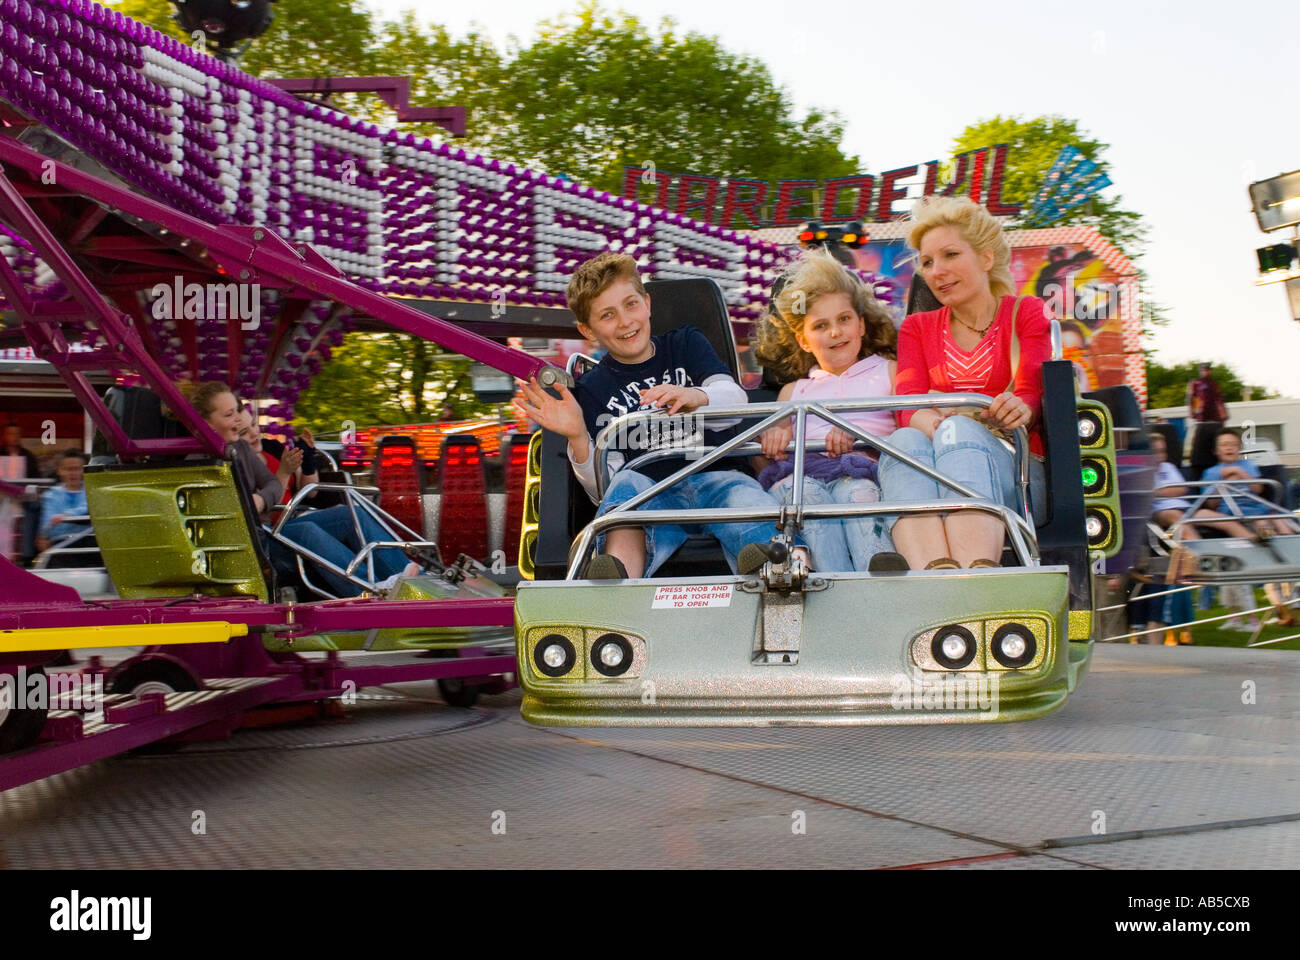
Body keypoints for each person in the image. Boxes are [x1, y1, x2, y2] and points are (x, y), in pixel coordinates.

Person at [515, 251, 805, 579]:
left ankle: (776, 563)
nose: (625, 321)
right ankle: (618, 576)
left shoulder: (686, 344)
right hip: (652, 492)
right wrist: (578, 435)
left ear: (647, 304)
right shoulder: (591, 389)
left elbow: (734, 402)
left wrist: (696, 396)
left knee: (741, 493)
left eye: (630, 305)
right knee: (624, 489)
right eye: (607, 315)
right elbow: (602, 491)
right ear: (589, 330)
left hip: (715, 474)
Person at [878, 196, 1049, 570]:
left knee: (956, 431)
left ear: (986, 259)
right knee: (904, 440)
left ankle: (975, 576)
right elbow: (907, 407)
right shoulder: (916, 328)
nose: (936, 271)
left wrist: (1010, 409)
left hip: (1016, 473)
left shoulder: (1027, 312)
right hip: (938, 457)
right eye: (927, 262)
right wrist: (939, 421)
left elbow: (1030, 395)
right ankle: (936, 573)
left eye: (950, 255)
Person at [178, 381, 419, 596]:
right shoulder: (198, 462)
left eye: (237, 412)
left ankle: (410, 578)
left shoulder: (240, 449)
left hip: (266, 531)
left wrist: (259, 500)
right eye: (230, 414)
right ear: (206, 422)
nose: (239, 420)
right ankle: (373, 589)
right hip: (244, 548)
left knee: (347, 514)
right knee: (306, 531)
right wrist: (254, 503)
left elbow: (272, 485)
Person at [753, 250, 898, 571]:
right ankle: (831, 583)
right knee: (805, 503)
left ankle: (876, 572)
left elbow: (907, 428)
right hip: (805, 476)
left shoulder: (888, 371)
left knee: (857, 495)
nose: (835, 332)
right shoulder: (795, 390)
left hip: (863, 469)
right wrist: (776, 435)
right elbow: (777, 440)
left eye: (844, 319)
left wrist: (860, 437)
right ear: (804, 341)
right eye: (821, 325)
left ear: (861, 325)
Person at [1149, 432, 1254, 540]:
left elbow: (1181, 489)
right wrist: (1161, 492)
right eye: (1156, 452)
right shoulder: (1141, 471)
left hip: (1185, 508)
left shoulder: (1168, 467)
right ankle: (1200, 555)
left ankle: (1255, 545)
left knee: (1226, 521)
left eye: (1163, 451)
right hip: (1160, 511)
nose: (1160, 456)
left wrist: (1155, 492)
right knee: (1179, 520)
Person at [1202, 428, 1298, 537]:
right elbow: (1211, 504)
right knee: (1261, 524)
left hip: (1256, 506)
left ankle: (1289, 541)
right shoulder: (1211, 472)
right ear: (1216, 450)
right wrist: (1227, 482)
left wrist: (1240, 472)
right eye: (1224, 445)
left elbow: (1258, 489)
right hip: (1231, 511)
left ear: (1239, 448)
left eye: (1234, 445)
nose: (1229, 448)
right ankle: (1269, 542)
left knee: (1279, 520)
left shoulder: (1248, 465)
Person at [2, 422, 43, 566]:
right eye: (10, 434)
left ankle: (27, 557)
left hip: (22, 501)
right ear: (5, 436)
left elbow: (36, 481)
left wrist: (21, 493)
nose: (13, 437)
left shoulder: (29, 456)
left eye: (16, 434)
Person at [35, 449, 90, 553]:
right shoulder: (51, 495)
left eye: (77, 469)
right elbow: (48, 523)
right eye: (68, 469)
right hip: (60, 543)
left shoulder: (91, 492)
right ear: (59, 470)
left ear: (84, 470)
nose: (72, 473)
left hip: (86, 541)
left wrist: (66, 516)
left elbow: (88, 509)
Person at [1185, 363, 1227, 476]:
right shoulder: (1196, 383)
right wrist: (1193, 412)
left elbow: (1219, 399)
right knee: (1198, 442)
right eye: (1204, 370)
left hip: (1214, 419)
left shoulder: (1214, 383)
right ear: (1200, 371)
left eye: (1207, 370)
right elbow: (1192, 398)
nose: (1206, 372)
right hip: (1201, 418)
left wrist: (1223, 414)